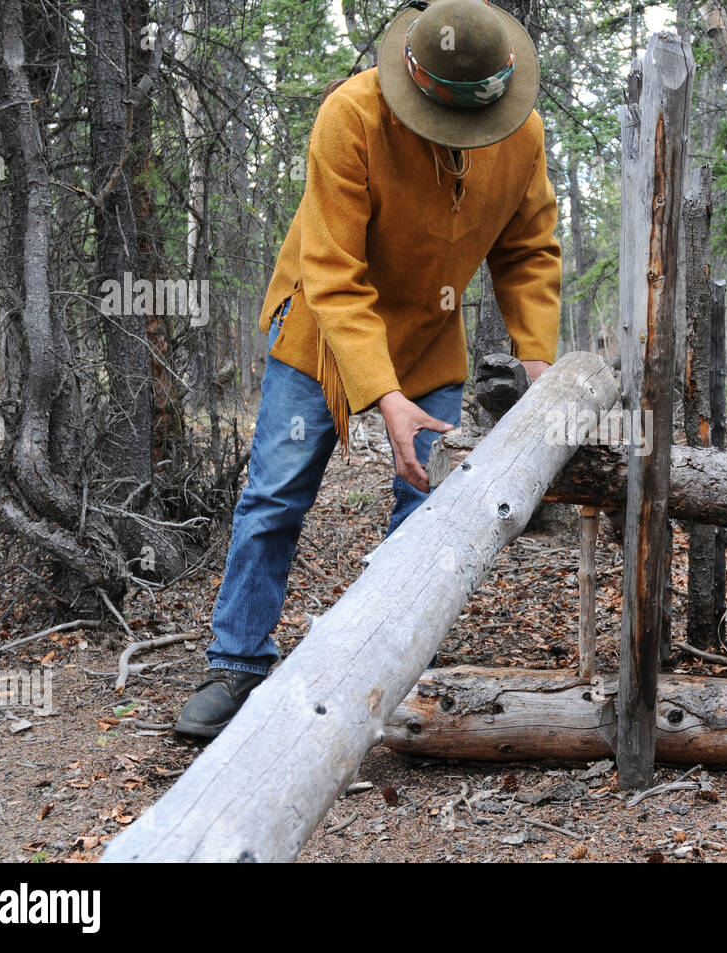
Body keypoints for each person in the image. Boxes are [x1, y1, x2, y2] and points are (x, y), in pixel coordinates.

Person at [174, 0, 561, 738]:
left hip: (429, 331)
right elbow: (334, 273)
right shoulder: (350, 117)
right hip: (322, 329)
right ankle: (237, 662)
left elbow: (528, 249)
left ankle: (386, 664)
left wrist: (538, 359)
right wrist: (382, 396)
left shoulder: (523, 134)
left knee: (428, 506)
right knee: (277, 495)